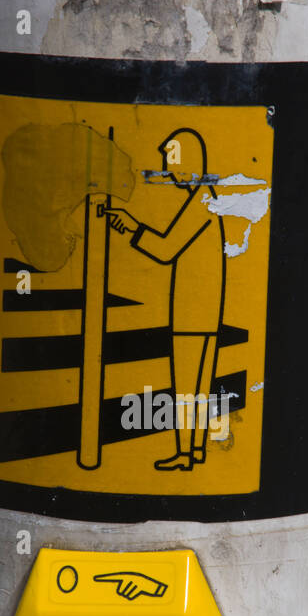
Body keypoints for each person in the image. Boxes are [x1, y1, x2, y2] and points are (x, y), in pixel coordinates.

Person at [108, 129, 225, 472]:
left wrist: (130, 227)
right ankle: (197, 451)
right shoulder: (208, 197)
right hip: (207, 310)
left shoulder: (201, 200)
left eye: (172, 162)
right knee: (201, 387)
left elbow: (166, 249)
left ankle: (185, 454)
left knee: (187, 386)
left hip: (192, 311)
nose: (168, 172)